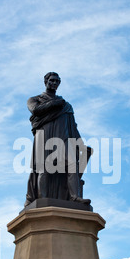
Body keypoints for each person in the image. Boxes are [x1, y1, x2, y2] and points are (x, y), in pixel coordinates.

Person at [24, 72, 92, 206]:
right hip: (44, 135)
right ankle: (42, 198)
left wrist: (80, 143)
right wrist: (55, 103)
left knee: (72, 165)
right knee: (44, 168)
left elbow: (73, 126)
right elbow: (36, 110)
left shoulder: (66, 106)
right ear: (46, 82)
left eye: (57, 81)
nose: (54, 83)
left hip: (63, 137)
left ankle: (75, 197)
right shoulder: (34, 99)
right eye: (52, 80)